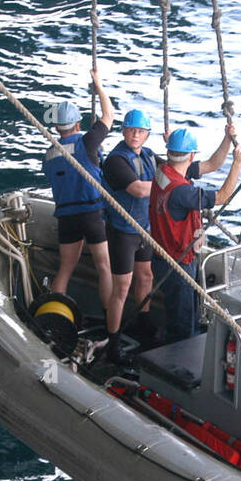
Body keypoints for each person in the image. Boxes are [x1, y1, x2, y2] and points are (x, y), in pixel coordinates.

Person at [148, 122, 241, 343]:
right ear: (191, 156)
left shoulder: (164, 171)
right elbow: (223, 196)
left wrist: (227, 139)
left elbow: (213, 163)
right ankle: (178, 363)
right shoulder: (183, 192)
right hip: (178, 264)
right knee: (182, 326)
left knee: (180, 313)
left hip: (163, 259)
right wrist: (237, 163)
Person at [42, 69, 115, 315]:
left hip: (66, 217)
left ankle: (53, 313)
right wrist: (99, 85)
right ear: (77, 124)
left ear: (56, 127)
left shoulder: (49, 154)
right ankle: (109, 315)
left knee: (65, 267)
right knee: (103, 266)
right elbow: (109, 116)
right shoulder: (87, 143)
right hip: (92, 213)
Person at [101, 107, 158, 361]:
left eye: (141, 131)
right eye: (132, 130)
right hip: (123, 232)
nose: (136, 135)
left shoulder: (150, 156)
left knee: (145, 276)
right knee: (121, 288)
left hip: (144, 229)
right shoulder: (116, 160)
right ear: (124, 131)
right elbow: (137, 189)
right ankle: (113, 341)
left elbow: (180, 172)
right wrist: (167, 187)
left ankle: (142, 323)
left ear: (147, 134)